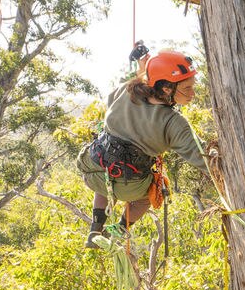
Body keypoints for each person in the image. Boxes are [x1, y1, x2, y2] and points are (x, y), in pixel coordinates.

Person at [77, 49, 209, 248]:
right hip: (128, 185)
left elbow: (123, 95)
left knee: (106, 175)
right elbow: (203, 158)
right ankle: (121, 229)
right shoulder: (173, 123)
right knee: (147, 197)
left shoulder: (126, 91)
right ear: (166, 89)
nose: (193, 93)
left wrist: (142, 71)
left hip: (91, 165)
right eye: (188, 88)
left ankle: (95, 228)